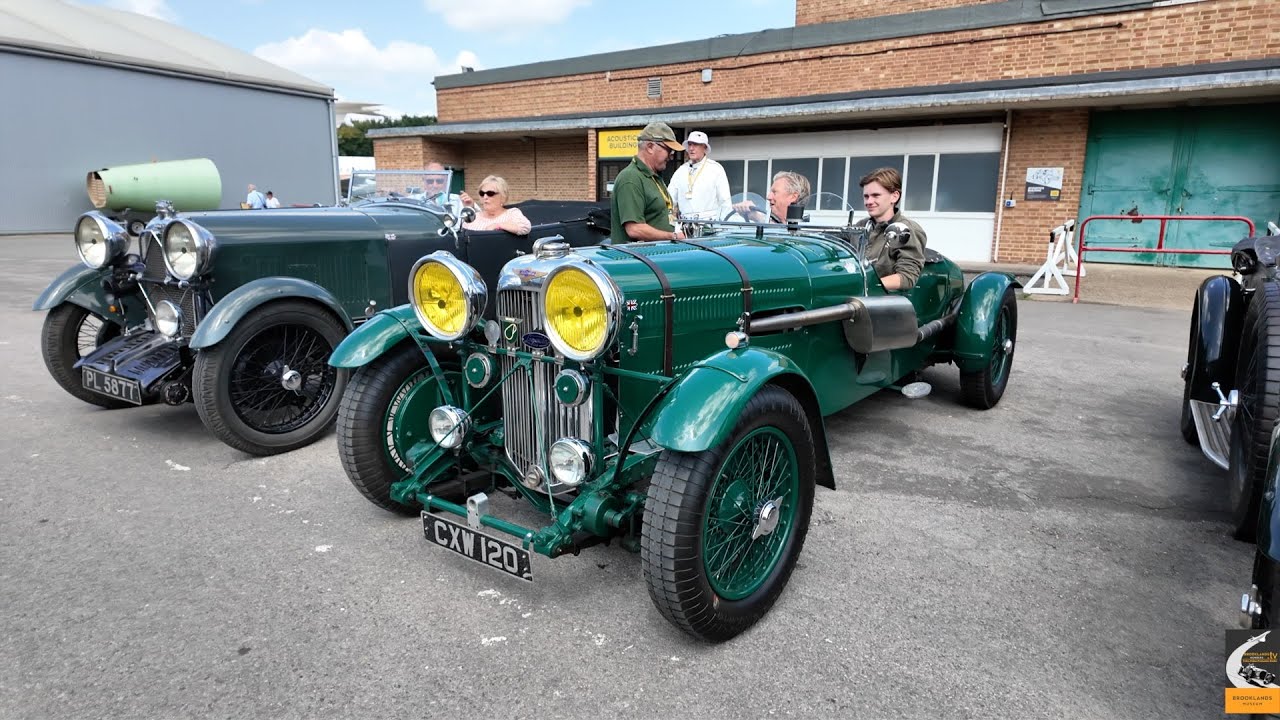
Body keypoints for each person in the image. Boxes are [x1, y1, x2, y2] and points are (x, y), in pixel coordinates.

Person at [610, 121, 685, 243]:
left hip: (656, 258)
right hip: (638, 260)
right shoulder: (630, 178)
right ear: (650, 147)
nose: (671, 156)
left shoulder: (654, 176)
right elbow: (634, 229)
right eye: (669, 151)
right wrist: (673, 236)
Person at [859, 167, 926, 291]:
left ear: (894, 196)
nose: (869, 201)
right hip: (852, 299)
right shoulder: (860, 226)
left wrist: (862, 285)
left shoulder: (906, 230)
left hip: (883, 302)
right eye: (866, 196)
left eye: (875, 195)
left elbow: (907, 277)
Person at [666, 130, 730, 220]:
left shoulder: (716, 169)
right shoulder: (681, 171)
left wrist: (723, 227)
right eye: (690, 145)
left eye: (695, 144)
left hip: (709, 225)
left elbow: (725, 202)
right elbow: (670, 200)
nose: (691, 148)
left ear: (704, 148)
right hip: (685, 225)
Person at [459, 176, 531, 235]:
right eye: (482, 193)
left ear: (503, 196)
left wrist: (498, 226)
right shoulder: (474, 217)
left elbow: (525, 227)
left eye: (490, 193)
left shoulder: (512, 213)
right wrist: (469, 208)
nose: (485, 197)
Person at [733, 171, 810, 223]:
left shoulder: (809, 230)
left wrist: (758, 218)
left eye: (774, 192)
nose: (768, 197)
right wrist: (754, 216)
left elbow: (784, 235)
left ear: (793, 197)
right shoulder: (767, 222)